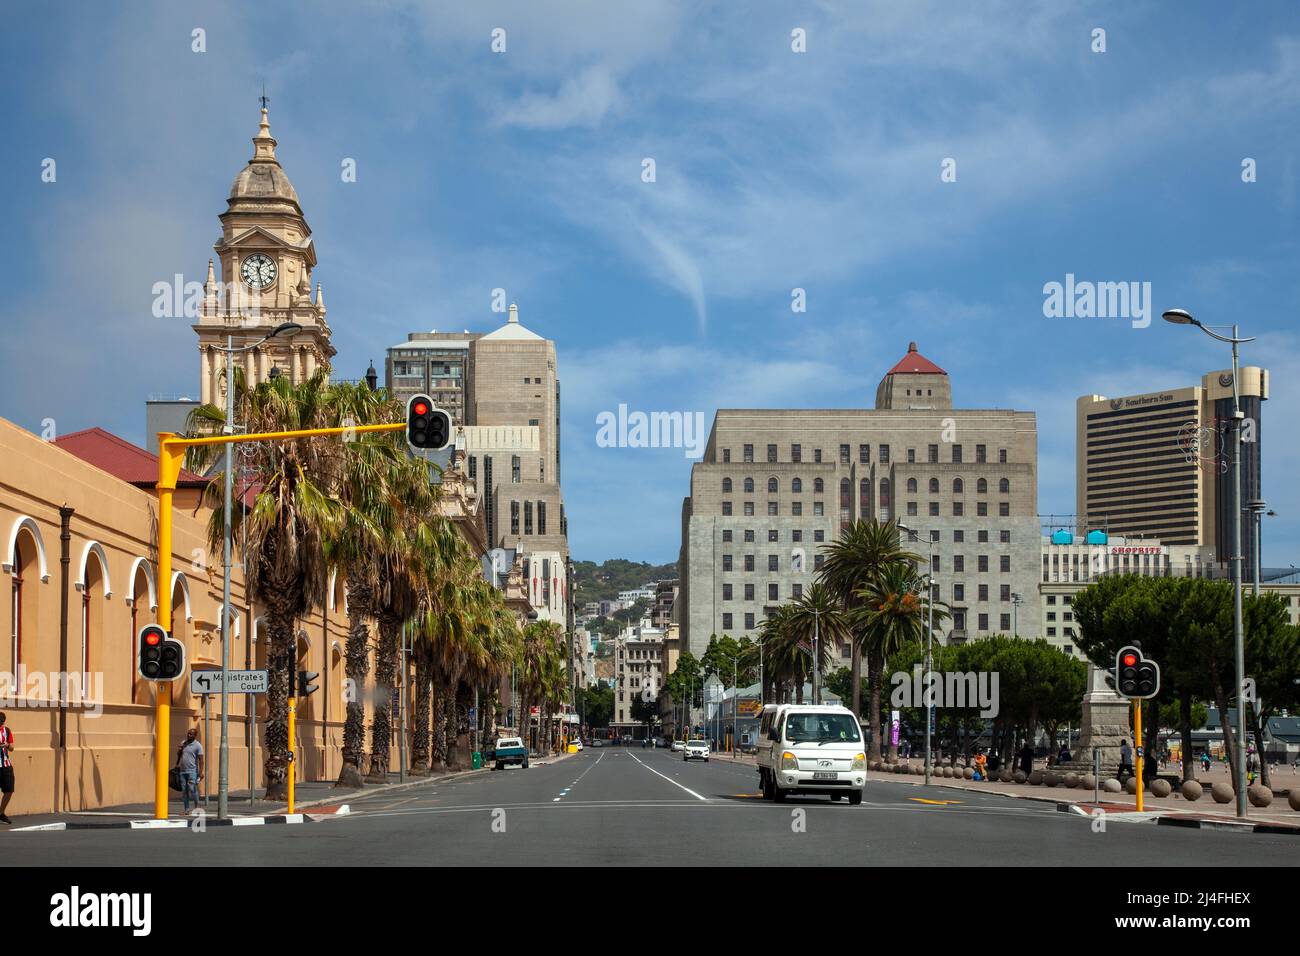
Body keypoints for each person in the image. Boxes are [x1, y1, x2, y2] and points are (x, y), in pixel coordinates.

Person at [176, 726, 204, 814]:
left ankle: (197, 805)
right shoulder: (183, 743)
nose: (188, 735)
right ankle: (186, 809)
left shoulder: (198, 745)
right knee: (184, 791)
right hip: (183, 771)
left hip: (192, 771)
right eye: (188, 733)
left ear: (195, 736)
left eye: (191, 734)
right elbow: (179, 755)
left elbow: (201, 759)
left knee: (192, 788)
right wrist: (177, 763)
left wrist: (200, 772)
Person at [0, 713, 14, 824]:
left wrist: (7, 745)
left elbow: (12, 747)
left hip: (6, 765)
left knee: (9, 790)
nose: (1, 725)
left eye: (2, 722)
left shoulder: (7, 731)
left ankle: (1, 813)